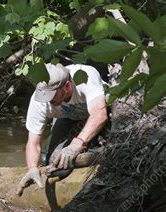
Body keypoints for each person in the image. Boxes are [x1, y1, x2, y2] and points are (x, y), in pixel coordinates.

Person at [17, 63, 109, 196]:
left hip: (106, 111)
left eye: (51, 96)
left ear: (67, 86)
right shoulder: (39, 101)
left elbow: (99, 115)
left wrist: (77, 143)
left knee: (112, 146)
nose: (47, 101)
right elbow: (33, 141)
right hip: (70, 120)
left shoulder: (84, 76)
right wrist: (32, 168)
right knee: (50, 162)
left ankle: (98, 153)